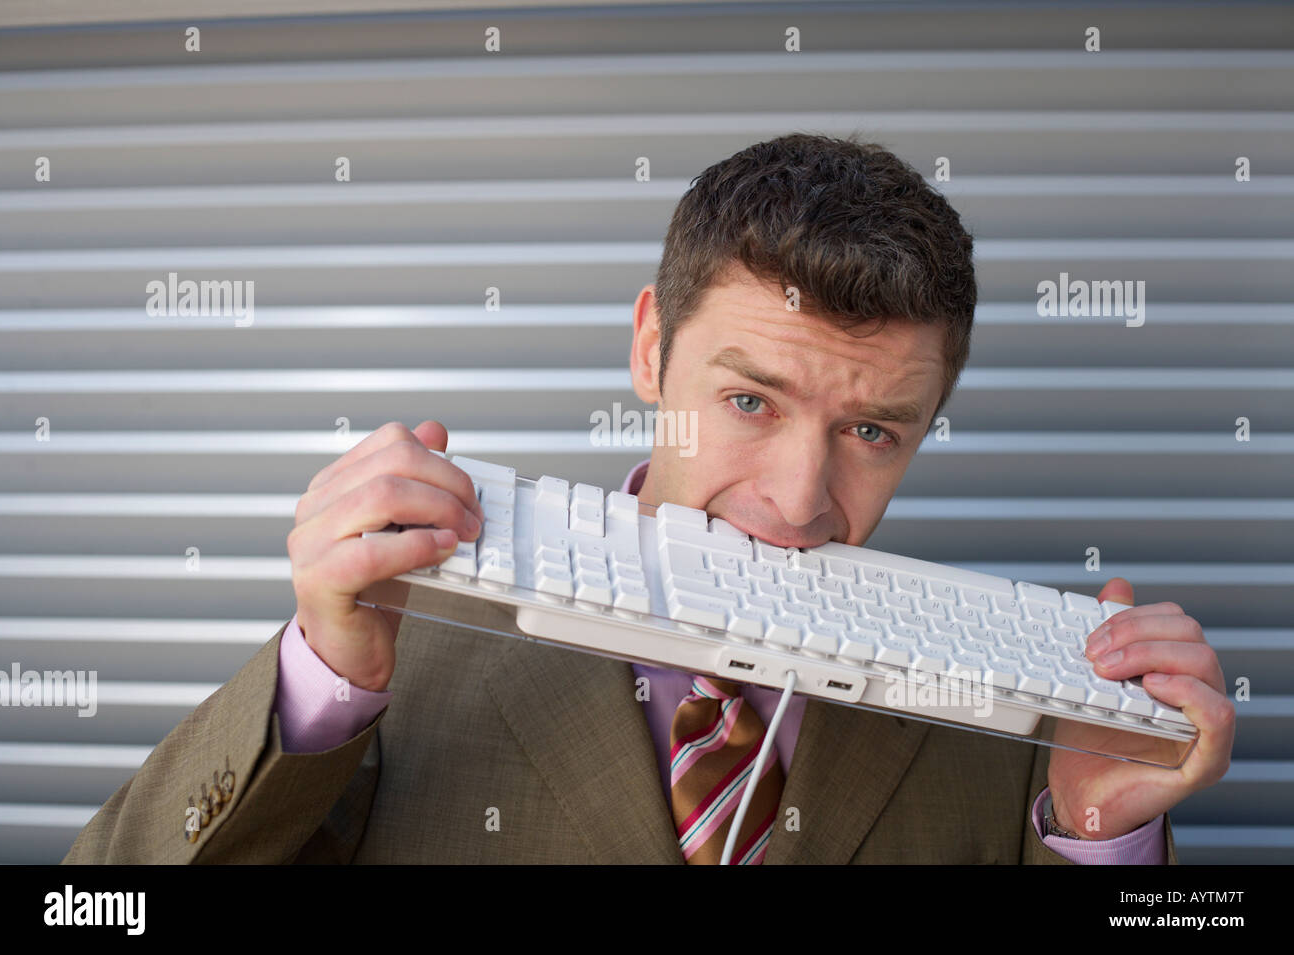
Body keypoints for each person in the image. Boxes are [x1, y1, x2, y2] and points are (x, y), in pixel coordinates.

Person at [63, 134, 1233, 864]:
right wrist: (322, 683)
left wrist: (1095, 833)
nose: (795, 499)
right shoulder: (395, 634)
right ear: (648, 349)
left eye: (872, 430)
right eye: (749, 402)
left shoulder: (1015, 718)